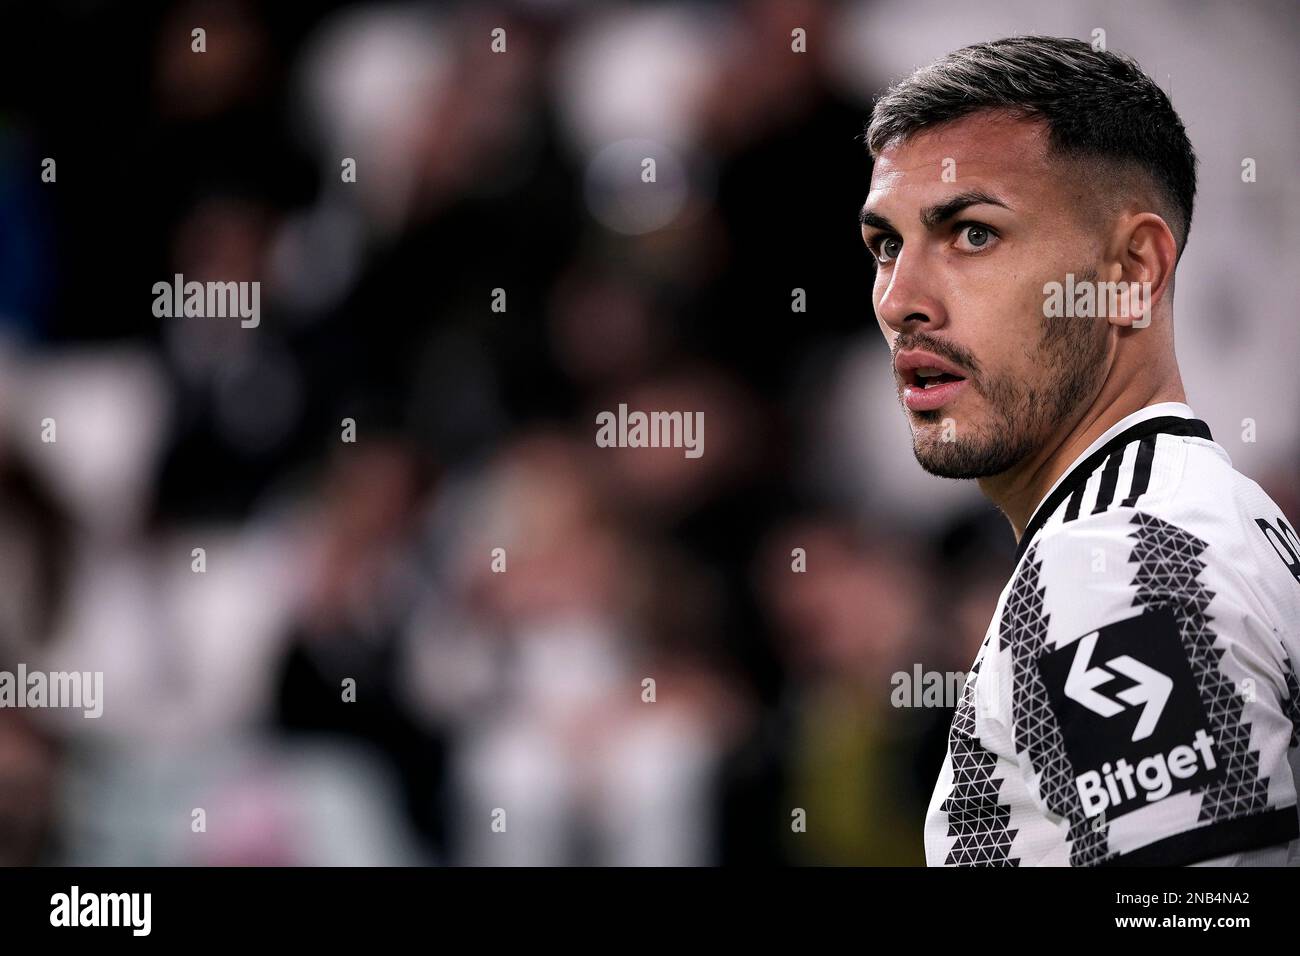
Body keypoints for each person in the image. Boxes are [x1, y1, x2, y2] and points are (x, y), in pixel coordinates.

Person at [857, 35, 1300, 866]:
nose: (899, 299)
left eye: (973, 234)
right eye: (887, 244)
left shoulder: (1115, 565)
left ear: (1133, 270)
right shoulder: (1214, 516)